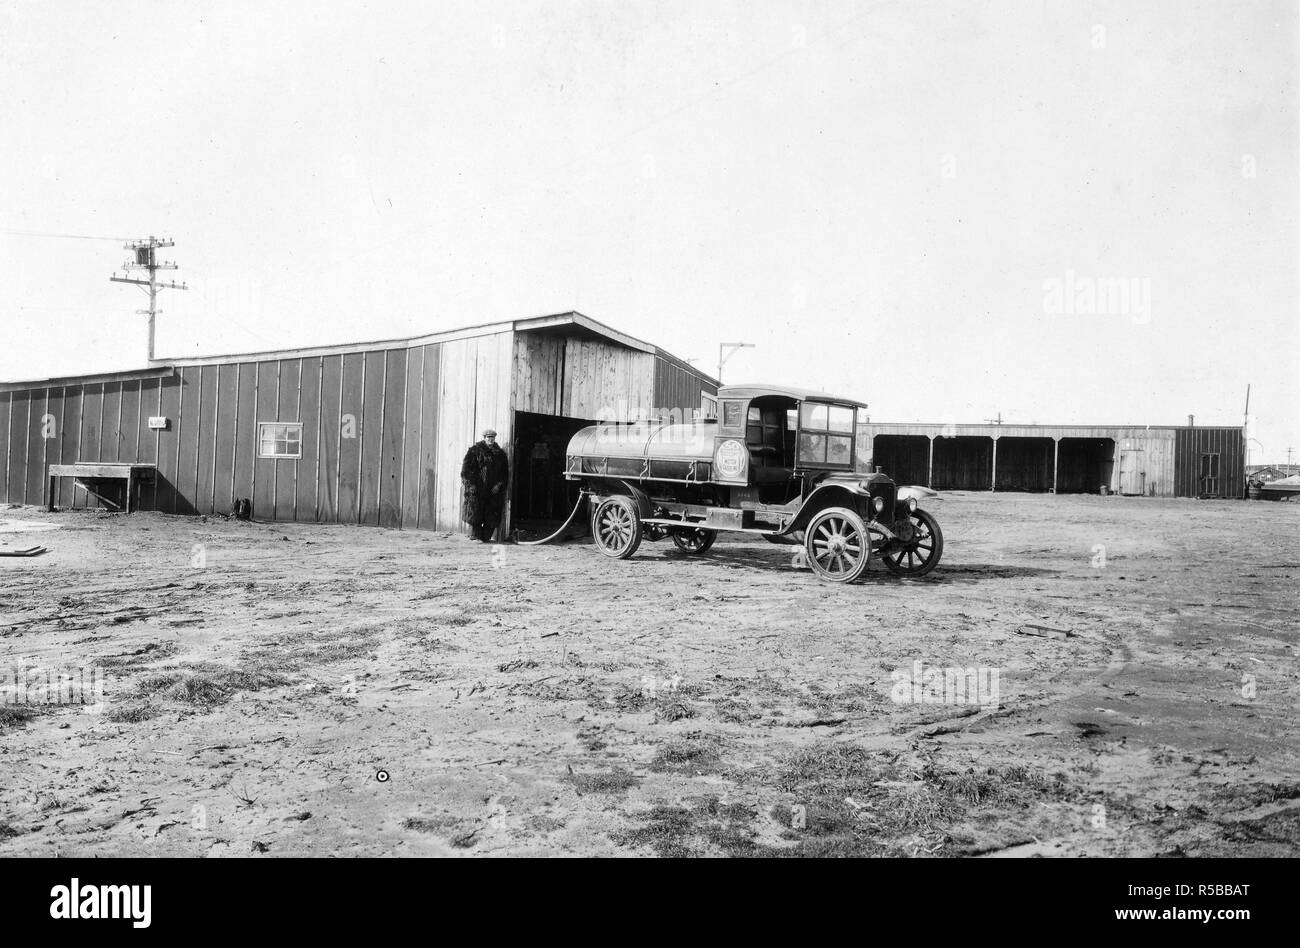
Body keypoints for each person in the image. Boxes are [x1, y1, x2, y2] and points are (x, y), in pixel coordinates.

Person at [461, 428, 509, 541]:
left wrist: (498, 485)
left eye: (492, 437)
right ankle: (475, 536)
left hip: (493, 490)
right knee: (475, 512)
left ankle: (486, 537)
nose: (490, 440)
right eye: (488, 437)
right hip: (477, 488)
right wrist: (471, 485)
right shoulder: (474, 451)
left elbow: (504, 473)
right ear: (484, 438)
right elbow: (466, 470)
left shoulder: (500, 454)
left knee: (492, 514)